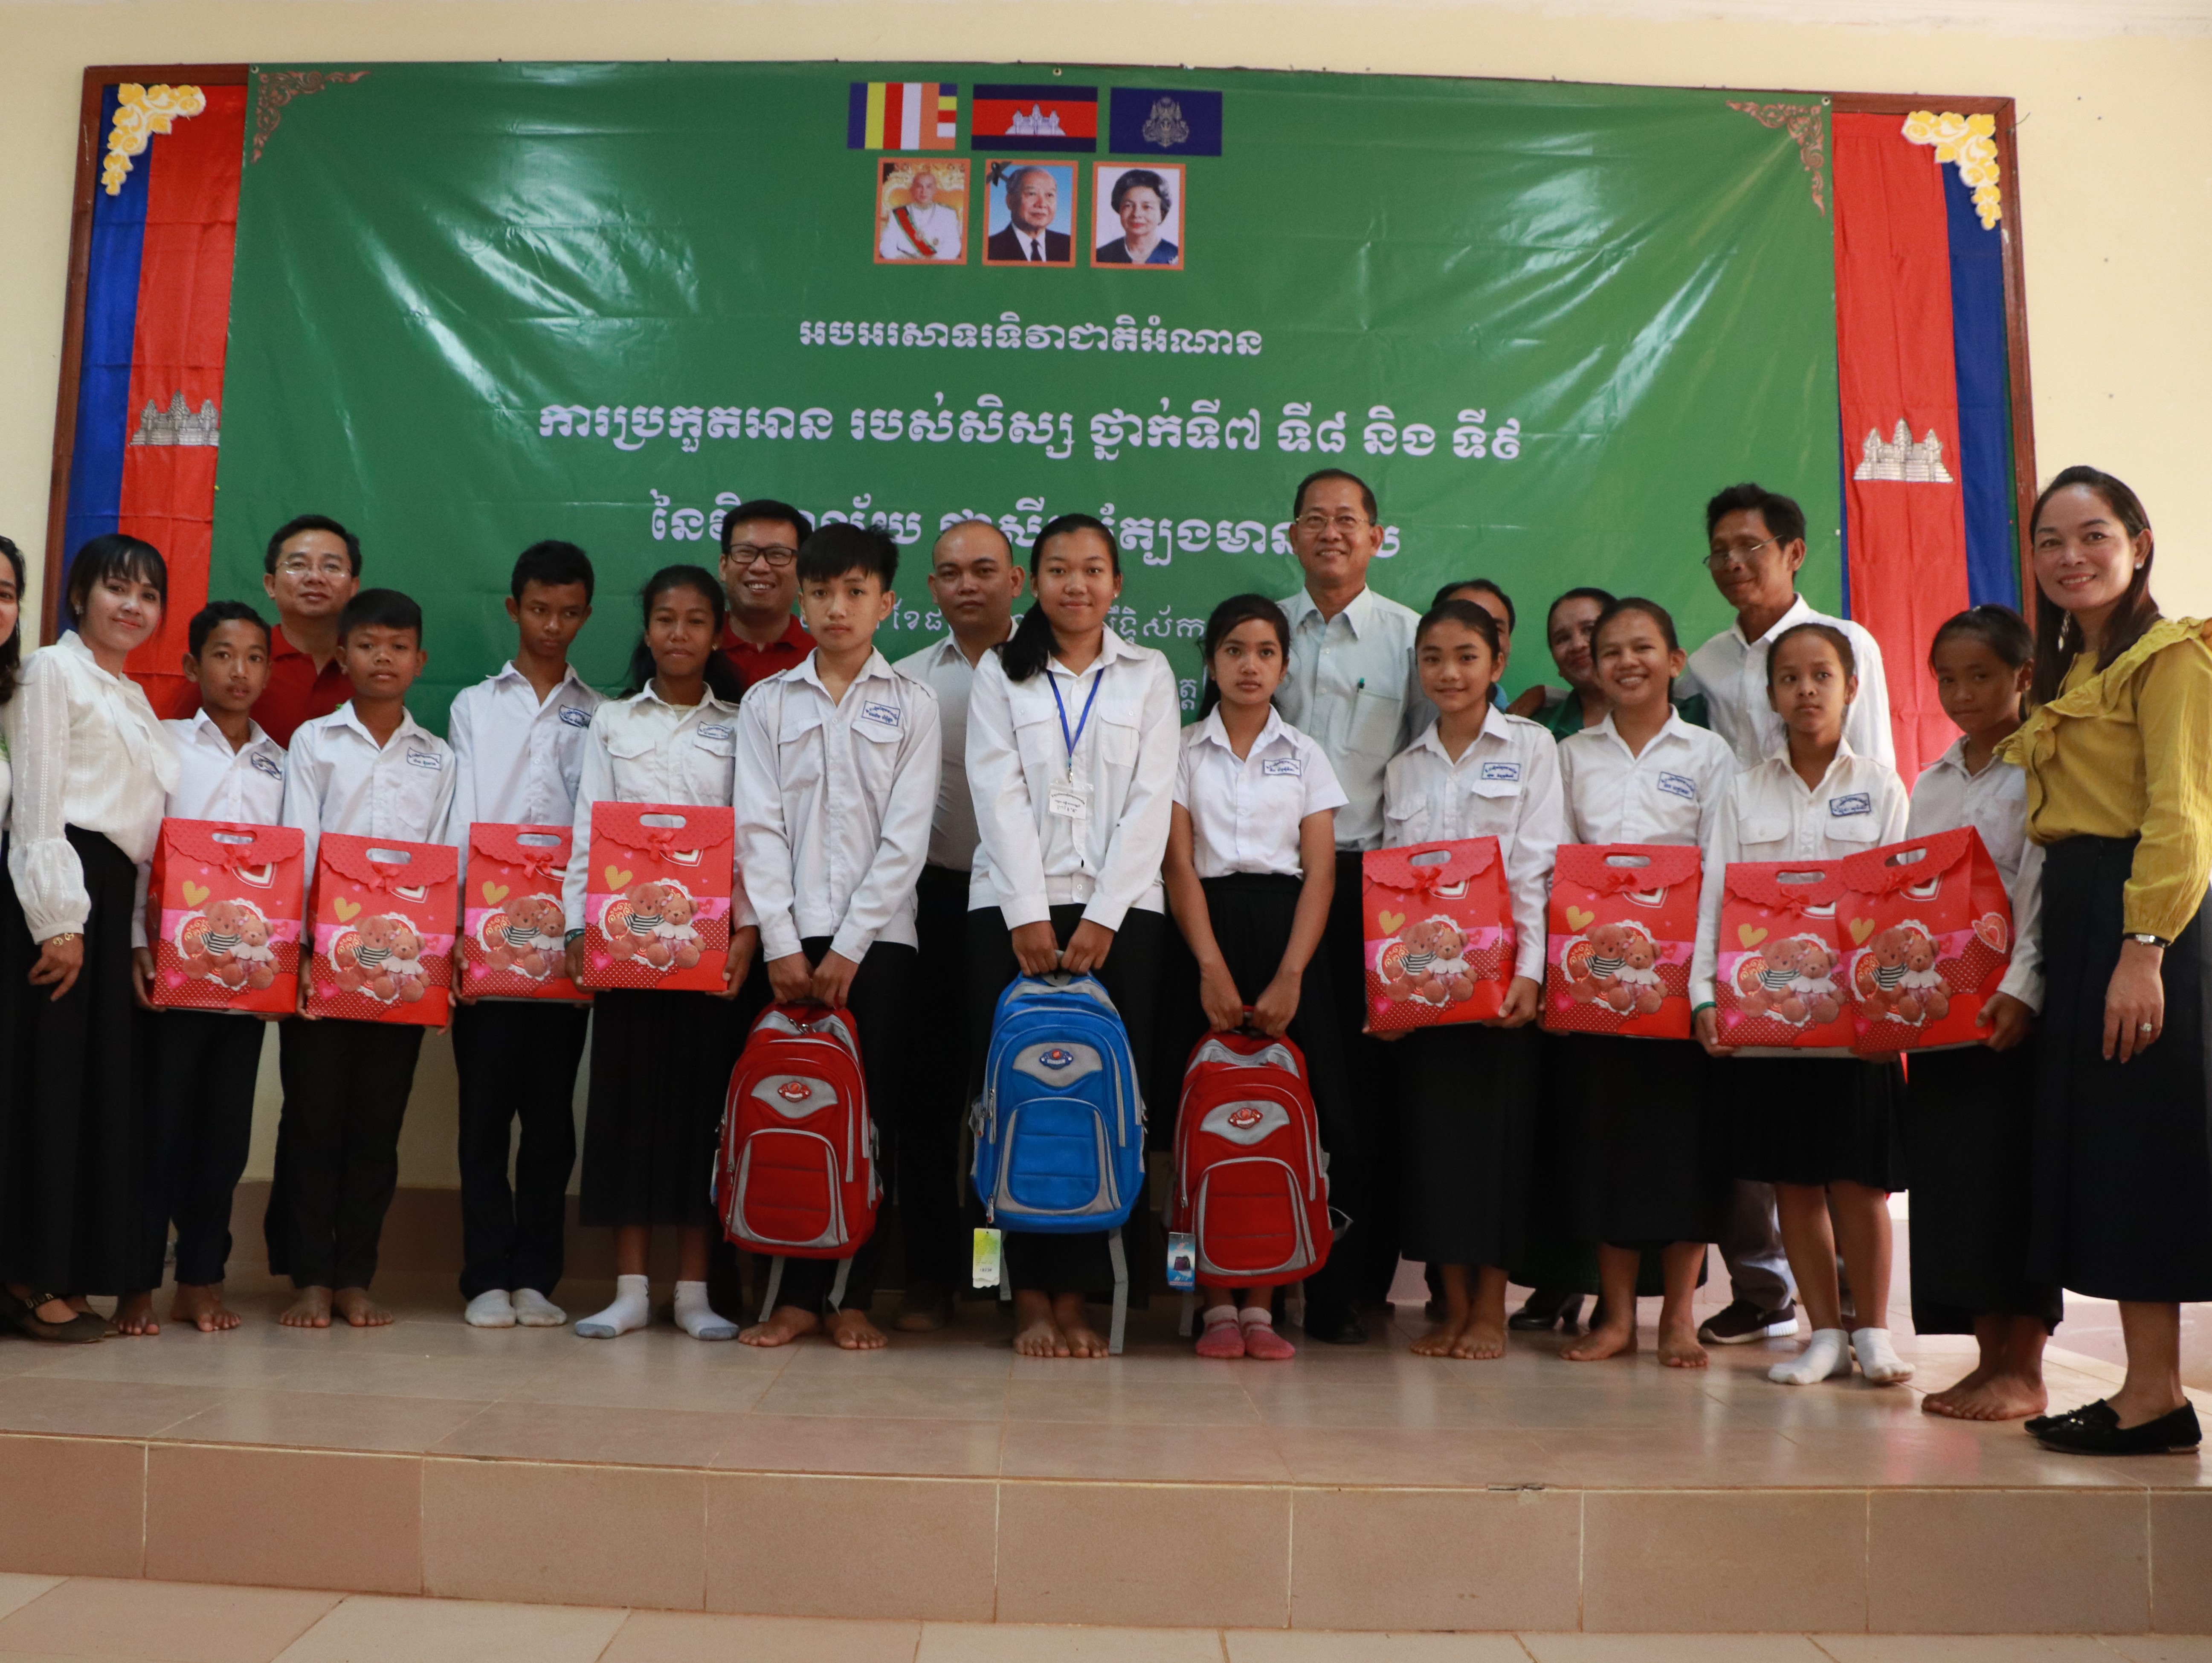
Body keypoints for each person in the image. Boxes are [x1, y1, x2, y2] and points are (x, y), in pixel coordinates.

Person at [2000, 467, 2210, 1457]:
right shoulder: (2075, 671)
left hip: (2147, 924)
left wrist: (2145, 952)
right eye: (2051, 541)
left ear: (2140, 542)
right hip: (2087, 913)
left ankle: (2154, 1395)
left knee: (2150, 1149)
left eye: (2093, 536)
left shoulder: (2172, 660)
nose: (2071, 558)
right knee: (2116, 1153)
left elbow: (2183, 817)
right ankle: (2151, 1390)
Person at [1678, 483, 1891, 1348]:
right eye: (1719, 550)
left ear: (1792, 550)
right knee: (1767, 1141)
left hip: (1840, 925)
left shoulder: (1851, 645)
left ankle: (1856, 1314)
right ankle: (1777, 1296)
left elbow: (1867, 768)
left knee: (1848, 1152)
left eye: (1750, 547)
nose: (1734, 563)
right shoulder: (1703, 663)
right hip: (1752, 918)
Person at [965, 513, 1177, 1358]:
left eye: (1093, 569)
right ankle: (1004, 1292)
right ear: (1033, 581)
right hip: (1009, 910)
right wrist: (1026, 908)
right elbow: (996, 787)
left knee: (1108, 1108)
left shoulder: (1149, 672)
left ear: (1117, 583)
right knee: (997, 1107)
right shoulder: (998, 669)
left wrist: (1103, 915)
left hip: (1122, 917)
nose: (1076, 584)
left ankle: (1085, 1296)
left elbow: (1151, 799)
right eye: (1059, 568)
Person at [733, 524, 940, 1350]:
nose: (836, 606)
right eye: (820, 592)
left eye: (855, 591)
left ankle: (852, 1292)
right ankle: (789, 1294)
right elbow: (757, 826)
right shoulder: (766, 702)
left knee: (869, 1118)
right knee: (786, 1108)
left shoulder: (914, 704)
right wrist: (781, 941)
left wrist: (849, 946)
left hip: (880, 943)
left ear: (887, 602)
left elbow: (907, 837)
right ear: (799, 600)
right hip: (789, 937)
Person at [1692, 622, 1913, 1388]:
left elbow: (1899, 909)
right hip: (1768, 1020)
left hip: (1854, 1024)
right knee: (1793, 1182)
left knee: (1859, 1182)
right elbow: (1715, 898)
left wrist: (1891, 1012)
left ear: (1851, 686)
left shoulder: (1882, 788)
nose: (1806, 690)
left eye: (1822, 675)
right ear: (1770, 694)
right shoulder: (1741, 791)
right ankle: (1822, 1332)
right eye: (1789, 678)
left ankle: (1874, 1330)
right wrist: (1703, 998)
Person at [563, 567, 752, 1342]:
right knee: (626, 1111)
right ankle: (631, 1289)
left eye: (696, 620)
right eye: (665, 618)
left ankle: (697, 1291)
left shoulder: (745, 723)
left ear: (717, 633)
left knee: (701, 1115)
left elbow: (756, 836)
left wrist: (746, 931)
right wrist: (581, 927)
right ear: (646, 630)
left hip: (712, 948)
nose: (679, 633)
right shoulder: (612, 723)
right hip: (626, 943)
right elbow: (587, 827)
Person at [1160, 594, 1351, 1360]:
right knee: (1198, 1115)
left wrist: (1291, 976)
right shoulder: (1175, 749)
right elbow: (1176, 864)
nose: (1249, 664)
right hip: (1197, 932)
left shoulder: (1304, 753)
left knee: (1283, 1112)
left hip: (1288, 938)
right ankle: (1208, 1296)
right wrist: (1208, 964)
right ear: (1209, 660)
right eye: (1234, 649)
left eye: (1266, 651)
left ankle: (1265, 1298)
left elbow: (1321, 874)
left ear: (1283, 664)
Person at [0, 535, 178, 1342]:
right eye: (116, 588)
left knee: (87, 1093)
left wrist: (133, 932)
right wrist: (59, 920)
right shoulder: (49, 671)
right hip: (57, 900)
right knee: (43, 1089)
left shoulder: (134, 698)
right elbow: (37, 803)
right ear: (78, 596)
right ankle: (25, 1277)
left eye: (147, 594)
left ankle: (62, 1268)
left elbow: (139, 834)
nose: (131, 606)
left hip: (108, 904)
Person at [1553, 598, 1737, 1367]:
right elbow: (1558, 864)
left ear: (1674, 658)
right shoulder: (1572, 755)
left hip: (1680, 981)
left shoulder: (1709, 754)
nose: (1626, 661)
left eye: (1642, 647)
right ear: (1592, 666)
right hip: (1596, 981)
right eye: (1610, 650)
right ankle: (1616, 1315)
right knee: (1605, 1145)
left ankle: (1681, 1318)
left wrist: (1703, 988)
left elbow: (1723, 870)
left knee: (1684, 1151)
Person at [269, 589, 454, 1329]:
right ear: (342, 654)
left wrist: (436, 966)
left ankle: (356, 1275)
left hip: (403, 972)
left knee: (379, 1121)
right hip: (323, 961)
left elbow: (446, 866)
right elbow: (299, 845)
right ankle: (309, 1275)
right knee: (313, 1115)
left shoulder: (440, 758)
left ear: (420, 659)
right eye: (369, 644)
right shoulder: (315, 743)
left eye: (398, 645)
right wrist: (304, 951)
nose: (384, 657)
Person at [1382, 600, 1562, 1360]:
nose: (1447, 672)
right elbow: (1392, 889)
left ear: (1495, 664)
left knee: (1495, 1148)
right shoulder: (1404, 765)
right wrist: (1387, 992)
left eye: (1464, 656)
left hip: (1500, 988)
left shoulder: (1529, 747)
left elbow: (1537, 864)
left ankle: (1489, 1305)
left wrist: (1527, 971)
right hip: (1423, 989)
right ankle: (1449, 1303)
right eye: (1432, 658)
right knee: (1433, 1148)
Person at [1273, 468, 1428, 1343]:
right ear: (1291, 536)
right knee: (1269, 1073)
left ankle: (1350, 1288)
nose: (1330, 532)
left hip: (1370, 887)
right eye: (1314, 520)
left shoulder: (1410, 640)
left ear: (1377, 536)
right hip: (1272, 886)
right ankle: (1249, 1274)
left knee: (1359, 1095)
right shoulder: (1265, 636)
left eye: (1348, 520)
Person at [117, 601, 286, 1335]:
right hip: (170, 976)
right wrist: (133, 941)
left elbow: (294, 874)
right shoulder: (163, 745)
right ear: (192, 666)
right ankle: (132, 1284)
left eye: (254, 657)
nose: (239, 670)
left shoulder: (284, 762)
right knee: (157, 1132)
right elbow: (137, 848)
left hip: (246, 986)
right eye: (223, 654)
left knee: (224, 1139)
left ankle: (201, 1277)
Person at [1905, 604, 2056, 1421]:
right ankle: (1983, 1356)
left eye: (1981, 676)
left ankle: (2024, 1364)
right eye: (1948, 679)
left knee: (2010, 1182)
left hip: (2005, 1009)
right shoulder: (1930, 780)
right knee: (1955, 1185)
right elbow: (1902, 894)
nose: (1961, 693)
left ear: (2022, 676)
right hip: (1933, 1010)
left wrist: (2022, 988)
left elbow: (2039, 890)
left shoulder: (2040, 768)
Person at [445, 541, 600, 1331]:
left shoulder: (600, 711)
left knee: (549, 1119)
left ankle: (537, 1274)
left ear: (586, 613)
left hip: (567, 941)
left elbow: (602, 829)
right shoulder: (475, 705)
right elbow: (464, 813)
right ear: (513, 608)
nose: (553, 625)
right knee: (482, 1115)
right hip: (487, 937)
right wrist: (463, 931)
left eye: (569, 611)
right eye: (539, 609)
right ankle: (483, 1275)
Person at [892, 519, 1025, 1330]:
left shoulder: (1053, 673)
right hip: (934, 904)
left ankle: (1003, 1275)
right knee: (929, 1100)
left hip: (1025, 910)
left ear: (1016, 581)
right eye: (949, 573)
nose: (966, 584)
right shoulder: (905, 683)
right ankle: (933, 1275)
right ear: (932, 590)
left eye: (984, 569)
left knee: (1012, 1097)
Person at [163, 516, 364, 741]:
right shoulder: (233, 665)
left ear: (353, 588)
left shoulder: (369, 667)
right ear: (271, 585)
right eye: (298, 565)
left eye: (331, 567)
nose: (315, 577)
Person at [716, 500, 816, 694]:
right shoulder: (693, 650)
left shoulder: (820, 659)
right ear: (723, 566)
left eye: (778, 554)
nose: (760, 567)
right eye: (745, 552)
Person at [1522, 587, 1618, 737]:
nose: (1577, 645)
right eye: (1563, 638)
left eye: (1589, 629)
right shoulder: (1536, 732)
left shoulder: (1667, 712)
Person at [1433, 580, 1518, 713]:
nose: (1479, 639)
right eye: (1463, 624)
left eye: (1495, 629)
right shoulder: (1407, 714)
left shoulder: (1526, 730)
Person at [987, 165, 1071, 264]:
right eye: (1032, 194)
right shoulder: (988, 249)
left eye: (1050, 195)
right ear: (1010, 201)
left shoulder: (1070, 246)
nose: (1042, 204)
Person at [1095, 168, 1180, 266]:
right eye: (1129, 206)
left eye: (1147, 207)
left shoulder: (1177, 256)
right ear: (1120, 209)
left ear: (1162, 213)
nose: (1137, 214)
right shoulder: (1101, 256)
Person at [878, 165, 963, 262]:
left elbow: (953, 245)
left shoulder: (948, 214)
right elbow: (886, 243)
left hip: (937, 267)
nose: (924, 192)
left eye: (929, 187)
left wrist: (936, 259)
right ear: (912, 189)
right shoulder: (898, 214)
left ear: (935, 190)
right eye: (919, 187)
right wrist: (898, 257)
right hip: (905, 265)